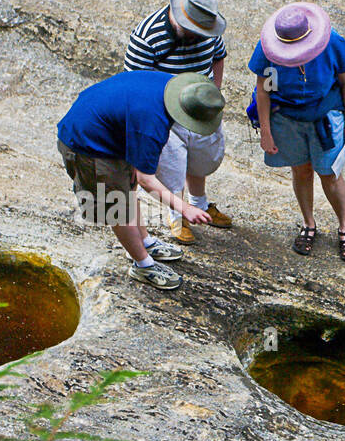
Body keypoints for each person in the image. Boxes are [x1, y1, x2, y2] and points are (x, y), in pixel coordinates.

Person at [57, 71, 223, 290]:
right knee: (116, 205)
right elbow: (147, 181)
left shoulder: (171, 86)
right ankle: (142, 264)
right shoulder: (152, 125)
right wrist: (184, 208)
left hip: (111, 131)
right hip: (86, 142)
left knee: (127, 187)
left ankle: (145, 241)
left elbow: (137, 176)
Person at [249, 3, 345, 261]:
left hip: (325, 116)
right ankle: (309, 224)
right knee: (300, 169)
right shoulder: (267, 48)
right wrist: (266, 131)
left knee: (329, 173)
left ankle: (344, 226)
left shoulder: (332, 42)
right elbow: (263, 90)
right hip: (287, 119)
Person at [124, 0, 233, 244]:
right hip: (165, 112)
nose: (201, 36)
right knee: (172, 165)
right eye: (195, 32)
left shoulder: (208, 26)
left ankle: (201, 204)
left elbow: (219, 57)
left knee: (201, 158)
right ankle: (177, 216)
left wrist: (214, 92)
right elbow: (133, 83)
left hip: (200, 107)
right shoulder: (148, 36)